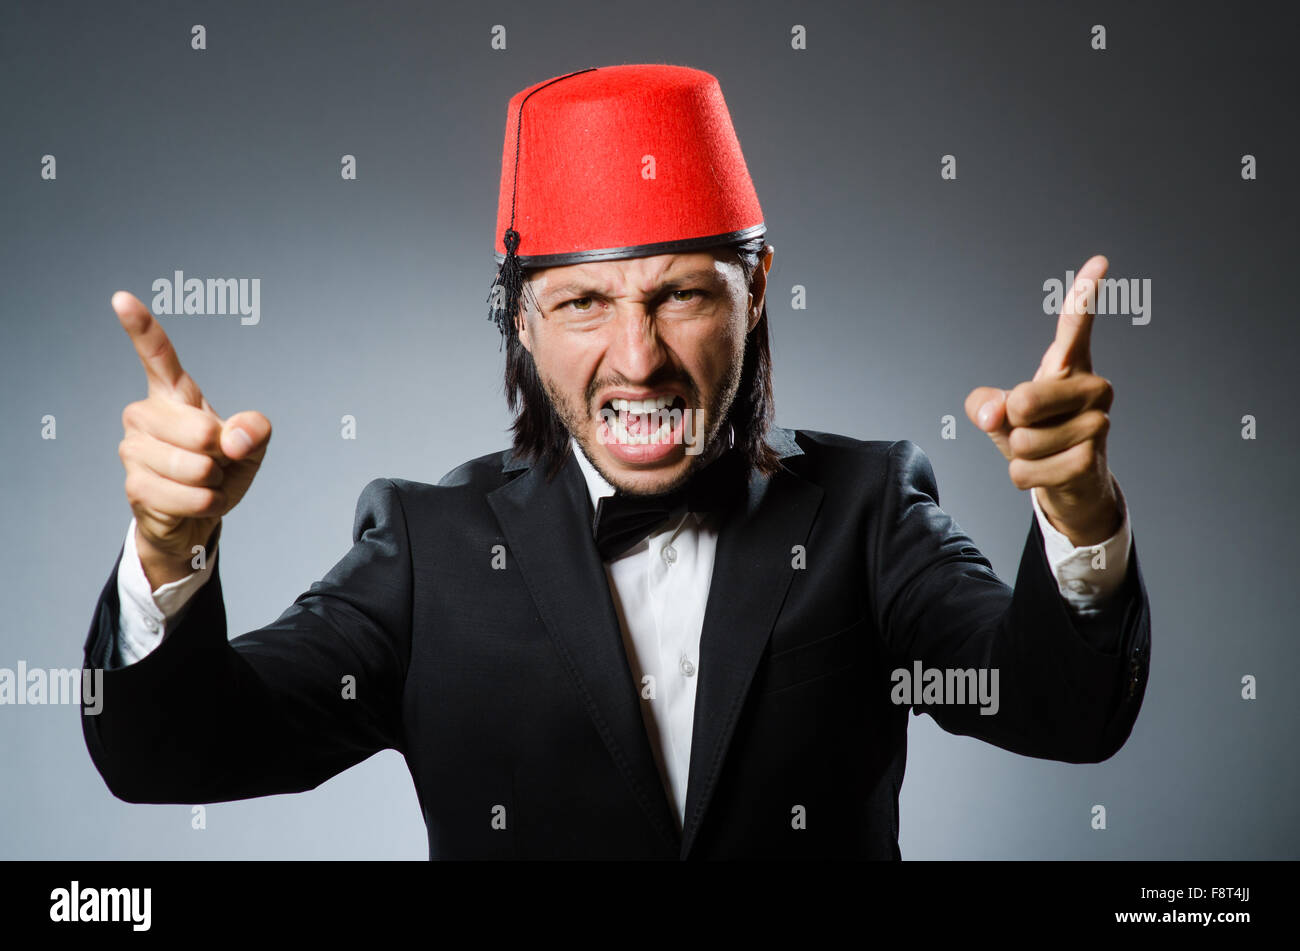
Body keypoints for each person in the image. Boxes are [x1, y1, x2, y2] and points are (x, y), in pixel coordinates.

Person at [82, 64, 1150, 859]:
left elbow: (1061, 712)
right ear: (519, 322)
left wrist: (1078, 513)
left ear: (759, 289)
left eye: (682, 293)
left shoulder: (863, 512)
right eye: (584, 302)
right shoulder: (427, 552)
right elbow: (174, 756)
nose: (637, 361)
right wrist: (170, 547)